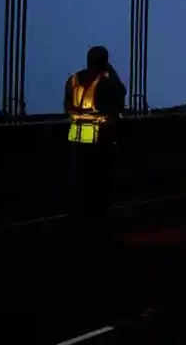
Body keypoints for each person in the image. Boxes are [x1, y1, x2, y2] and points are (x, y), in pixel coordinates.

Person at [64, 45, 126, 232]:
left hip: (77, 136)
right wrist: (113, 73)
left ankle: (79, 214)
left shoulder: (73, 80)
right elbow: (120, 97)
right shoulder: (106, 81)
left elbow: (67, 105)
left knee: (81, 176)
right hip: (101, 136)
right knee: (102, 177)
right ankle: (99, 219)